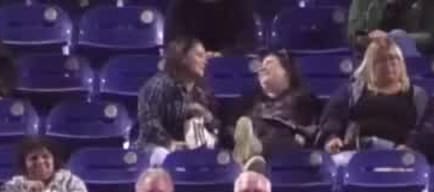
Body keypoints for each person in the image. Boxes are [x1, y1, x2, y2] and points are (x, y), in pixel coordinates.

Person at [318, 35, 434, 164]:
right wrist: (331, 138)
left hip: (400, 157)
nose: (390, 64)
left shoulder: (419, 96)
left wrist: (412, 146)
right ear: (370, 66)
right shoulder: (351, 92)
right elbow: (332, 118)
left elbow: (431, 129)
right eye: (382, 60)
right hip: (356, 155)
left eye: (394, 58)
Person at [136, 37, 221, 168]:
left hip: (192, 150)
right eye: (199, 56)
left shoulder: (202, 91)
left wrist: (207, 116)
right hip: (157, 149)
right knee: (163, 155)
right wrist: (172, 144)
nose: (205, 61)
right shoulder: (157, 86)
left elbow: (215, 127)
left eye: (205, 56)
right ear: (182, 58)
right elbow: (150, 125)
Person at [231, 52, 322, 166]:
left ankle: (254, 153)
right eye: (261, 66)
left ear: (286, 72)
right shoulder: (252, 102)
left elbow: (306, 131)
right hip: (257, 140)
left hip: (288, 147)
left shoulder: (303, 99)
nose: (262, 68)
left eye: (269, 63)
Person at [349, 0, 434, 55]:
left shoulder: (426, 3)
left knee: (398, 36)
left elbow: (431, 36)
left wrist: (392, 38)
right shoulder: (364, 2)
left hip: (414, 57)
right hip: (371, 54)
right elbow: (355, 33)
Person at [165, 0, 257, 54]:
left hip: (230, 62)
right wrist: (194, 53)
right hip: (189, 62)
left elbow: (248, 41)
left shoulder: (240, 4)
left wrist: (223, 54)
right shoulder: (180, 5)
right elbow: (174, 42)